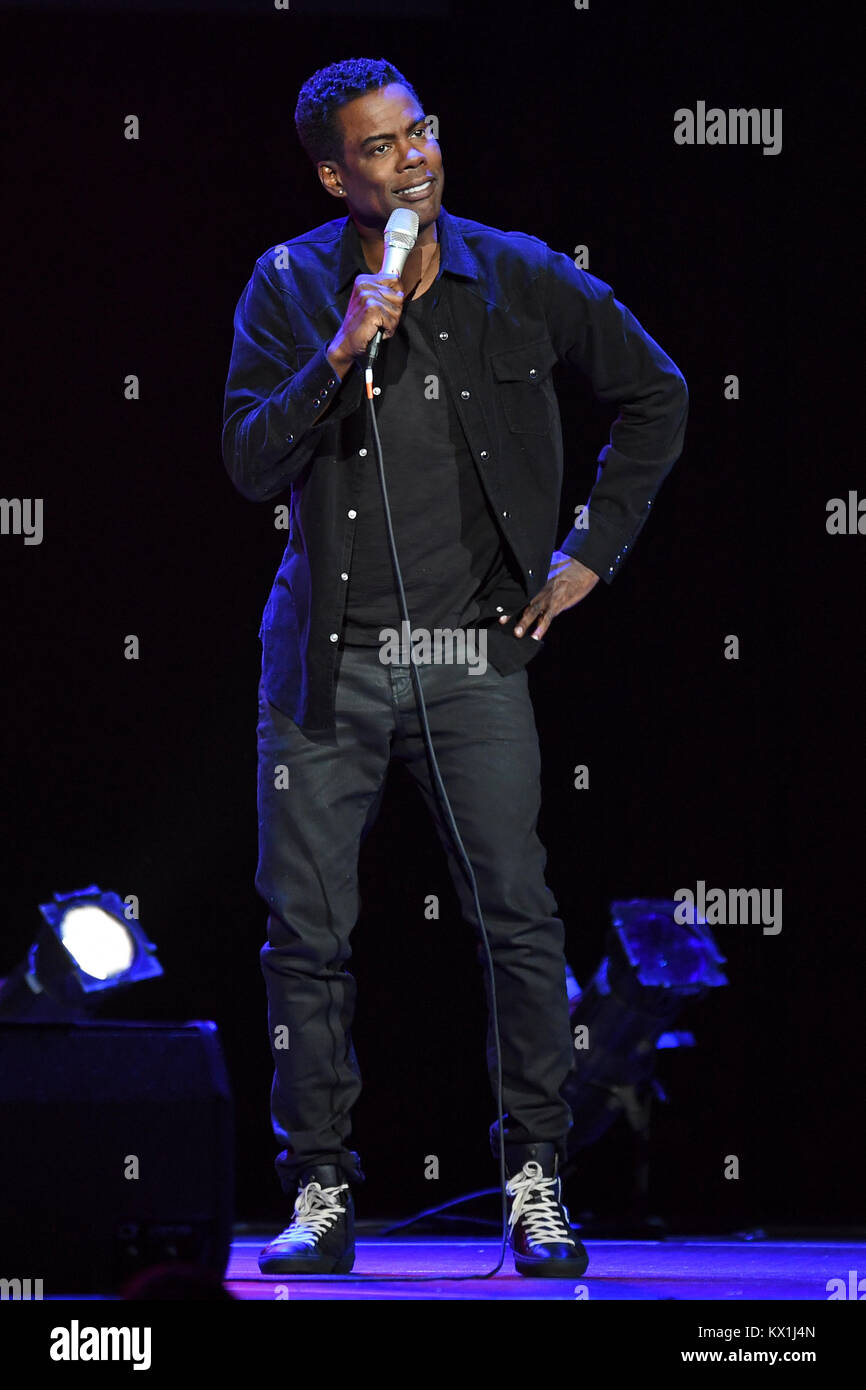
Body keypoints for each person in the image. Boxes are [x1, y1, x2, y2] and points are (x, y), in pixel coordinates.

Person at [222, 57, 688, 1279]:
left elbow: (656, 392)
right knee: (304, 935)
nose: (413, 156)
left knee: (518, 924)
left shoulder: (518, 272)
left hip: (473, 654)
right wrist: (335, 354)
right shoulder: (285, 285)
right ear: (335, 174)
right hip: (322, 661)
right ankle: (319, 1189)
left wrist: (590, 550)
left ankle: (534, 1176)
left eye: (418, 130)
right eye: (378, 146)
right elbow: (244, 464)